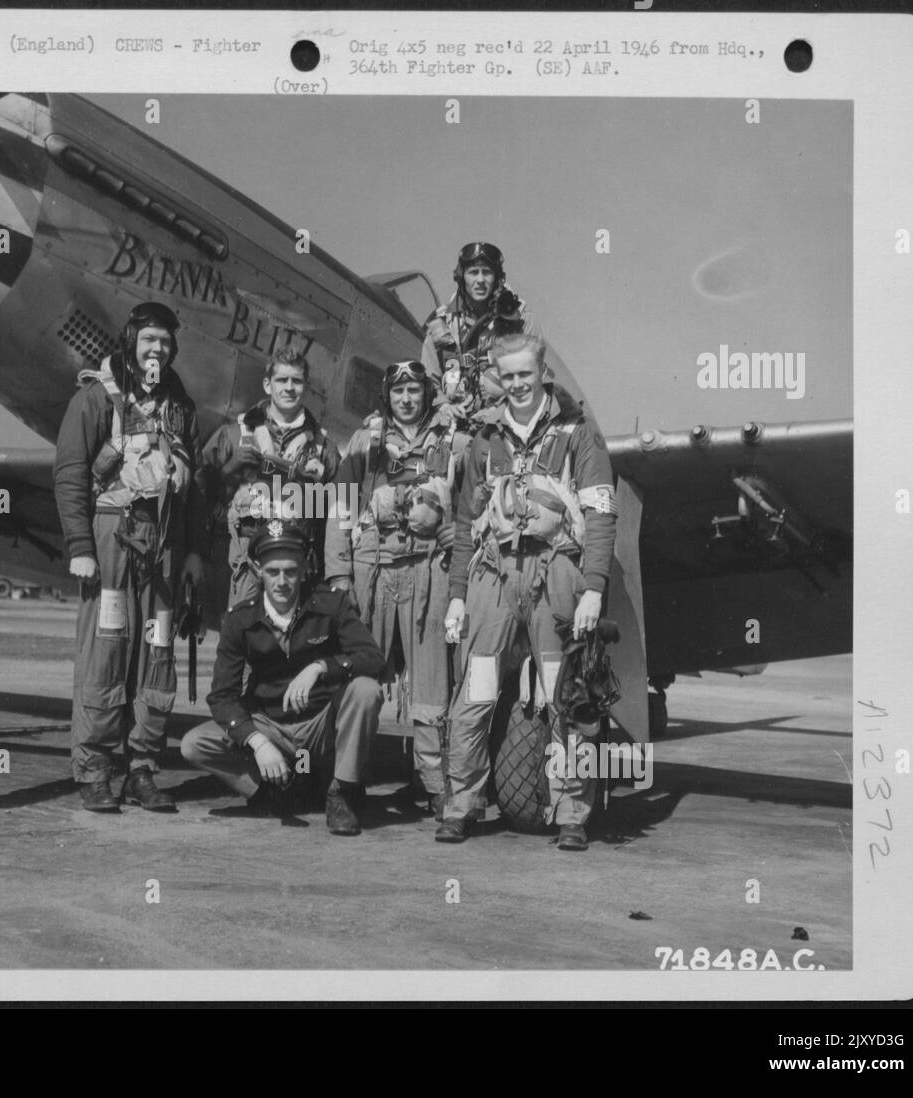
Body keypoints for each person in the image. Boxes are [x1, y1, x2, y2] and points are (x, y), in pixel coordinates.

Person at [439, 327, 617, 849]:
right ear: (498, 376)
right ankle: (462, 803)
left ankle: (570, 812)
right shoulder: (484, 440)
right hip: (493, 577)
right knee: (477, 692)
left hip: (555, 572)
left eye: (526, 374)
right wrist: (455, 593)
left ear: (542, 373)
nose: (518, 384)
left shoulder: (579, 433)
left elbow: (601, 513)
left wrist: (594, 588)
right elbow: (466, 523)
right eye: (508, 375)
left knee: (565, 693)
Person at [53, 301, 206, 814]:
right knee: (107, 649)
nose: (156, 350)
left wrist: (193, 555)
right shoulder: (97, 399)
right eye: (148, 341)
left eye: (164, 342)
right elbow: (71, 472)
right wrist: (80, 547)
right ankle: (96, 768)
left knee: (157, 652)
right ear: (131, 343)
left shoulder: (180, 407)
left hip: (164, 545)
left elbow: (195, 488)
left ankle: (142, 767)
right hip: (112, 538)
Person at [324, 359, 467, 817]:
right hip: (374, 570)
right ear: (388, 396)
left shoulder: (454, 443)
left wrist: (455, 536)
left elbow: (472, 506)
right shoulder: (364, 444)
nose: (407, 399)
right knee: (361, 675)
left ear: (427, 395)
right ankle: (347, 785)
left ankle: (434, 784)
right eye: (399, 391)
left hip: (429, 571)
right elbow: (341, 508)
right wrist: (340, 574)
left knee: (431, 683)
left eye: (415, 391)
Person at [181, 520, 386, 836]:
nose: (281, 581)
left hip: (321, 725)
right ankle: (269, 792)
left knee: (365, 690)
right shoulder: (240, 620)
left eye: (290, 571)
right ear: (257, 568)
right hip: (270, 723)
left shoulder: (331, 604)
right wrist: (257, 741)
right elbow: (222, 697)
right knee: (195, 744)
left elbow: (373, 659)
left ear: (304, 568)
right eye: (272, 572)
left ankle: (341, 792)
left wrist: (321, 667)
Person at [201, 347, 340, 610]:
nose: (289, 388)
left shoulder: (324, 448)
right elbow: (199, 493)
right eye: (281, 380)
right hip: (243, 568)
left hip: (297, 569)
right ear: (268, 384)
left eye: (297, 381)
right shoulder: (232, 435)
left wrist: (319, 489)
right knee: (242, 642)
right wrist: (229, 469)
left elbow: (344, 512)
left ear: (305, 387)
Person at [420, 241, 544, 427]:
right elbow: (427, 381)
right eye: (473, 272)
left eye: (487, 272)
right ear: (462, 277)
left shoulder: (520, 320)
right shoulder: (441, 325)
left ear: (497, 278)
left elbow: (536, 378)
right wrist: (444, 406)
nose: (480, 280)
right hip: (454, 427)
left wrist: (500, 410)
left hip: (509, 423)